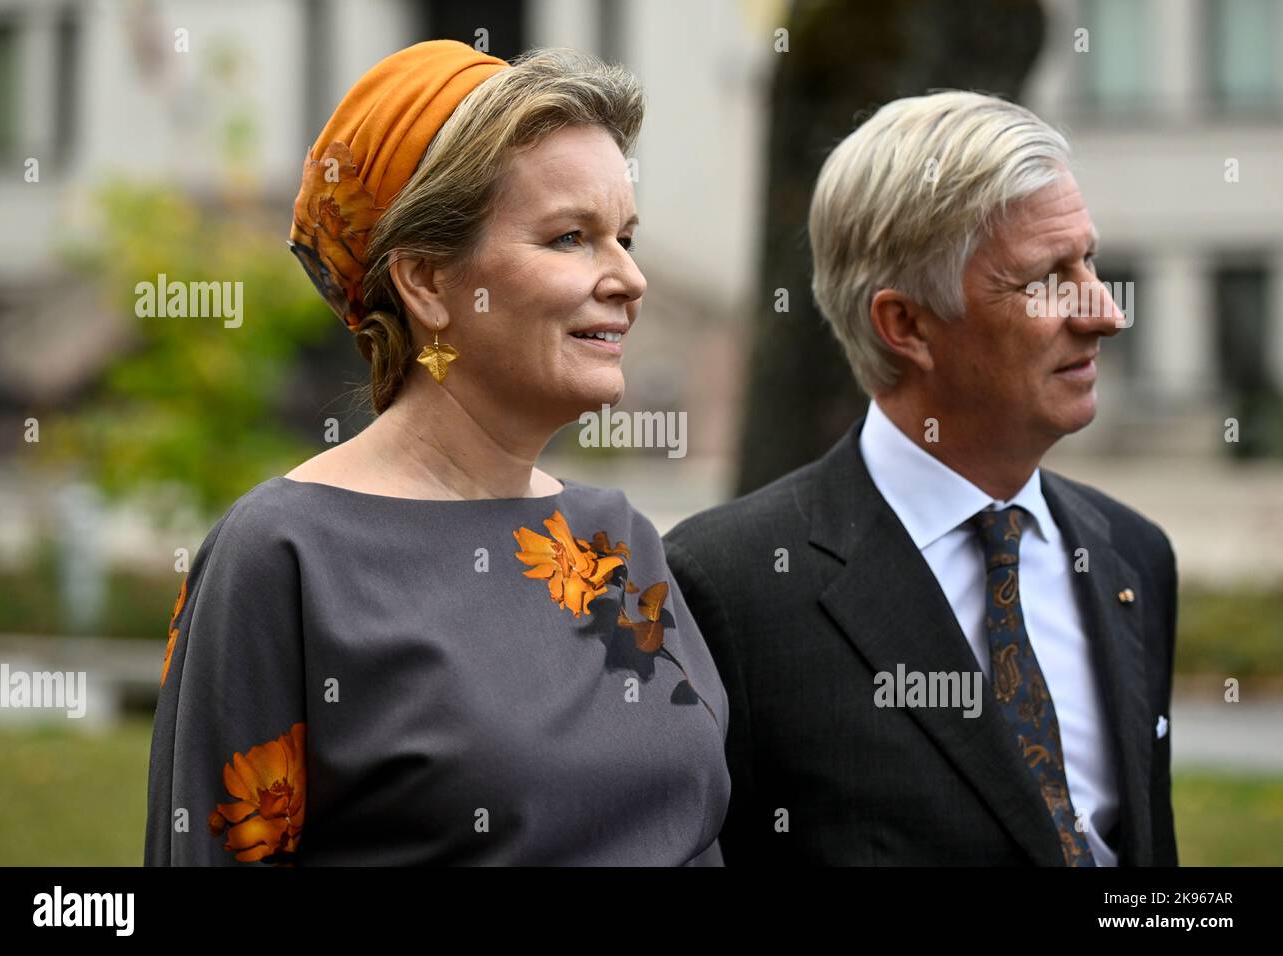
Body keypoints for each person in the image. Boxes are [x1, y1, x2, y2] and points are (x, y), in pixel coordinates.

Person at [144, 40, 729, 866]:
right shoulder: (285, 556)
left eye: (626, 236)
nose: (629, 278)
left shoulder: (617, 541)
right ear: (425, 281)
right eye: (571, 238)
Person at [664, 91, 1178, 866]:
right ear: (905, 326)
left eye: (1091, 261)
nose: (1104, 310)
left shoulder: (1133, 558)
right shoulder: (727, 587)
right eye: (1046, 279)